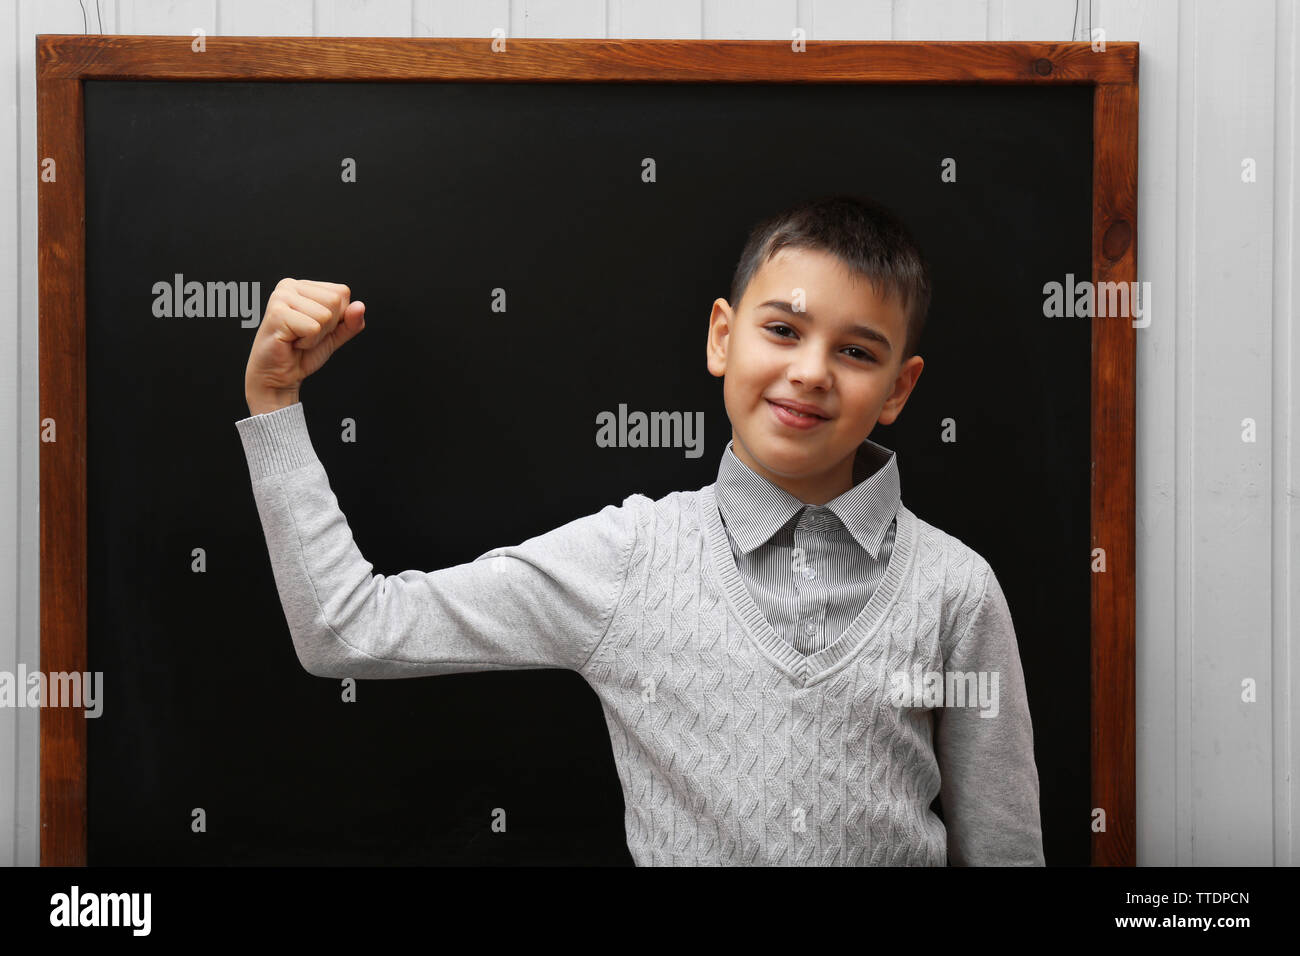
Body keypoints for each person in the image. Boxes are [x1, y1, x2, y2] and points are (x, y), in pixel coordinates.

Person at [236, 194, 1044, 866]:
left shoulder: (956, 590)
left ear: (899, 389)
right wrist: (274, 408)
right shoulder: (628, 561)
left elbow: (1004, 848)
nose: (810, 371)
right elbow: (346, 629)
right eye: (784, 330)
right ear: (723, 336)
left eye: (857, 351)